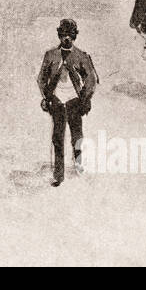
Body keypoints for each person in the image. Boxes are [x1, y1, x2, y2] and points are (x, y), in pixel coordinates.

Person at [35, 18, 99, 187]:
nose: (67, 38)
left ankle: (79, 164)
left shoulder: (82, 56)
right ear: (59, 35)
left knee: (77, 136)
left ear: (75, 36)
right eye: (63, 34)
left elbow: (91, 80)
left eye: (70, 35)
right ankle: (58, 175)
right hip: (57, 101)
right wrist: (47, 96)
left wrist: (84, 98)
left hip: (74, 101)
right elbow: (41, 79)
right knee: (57, 137)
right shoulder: (50, 55)